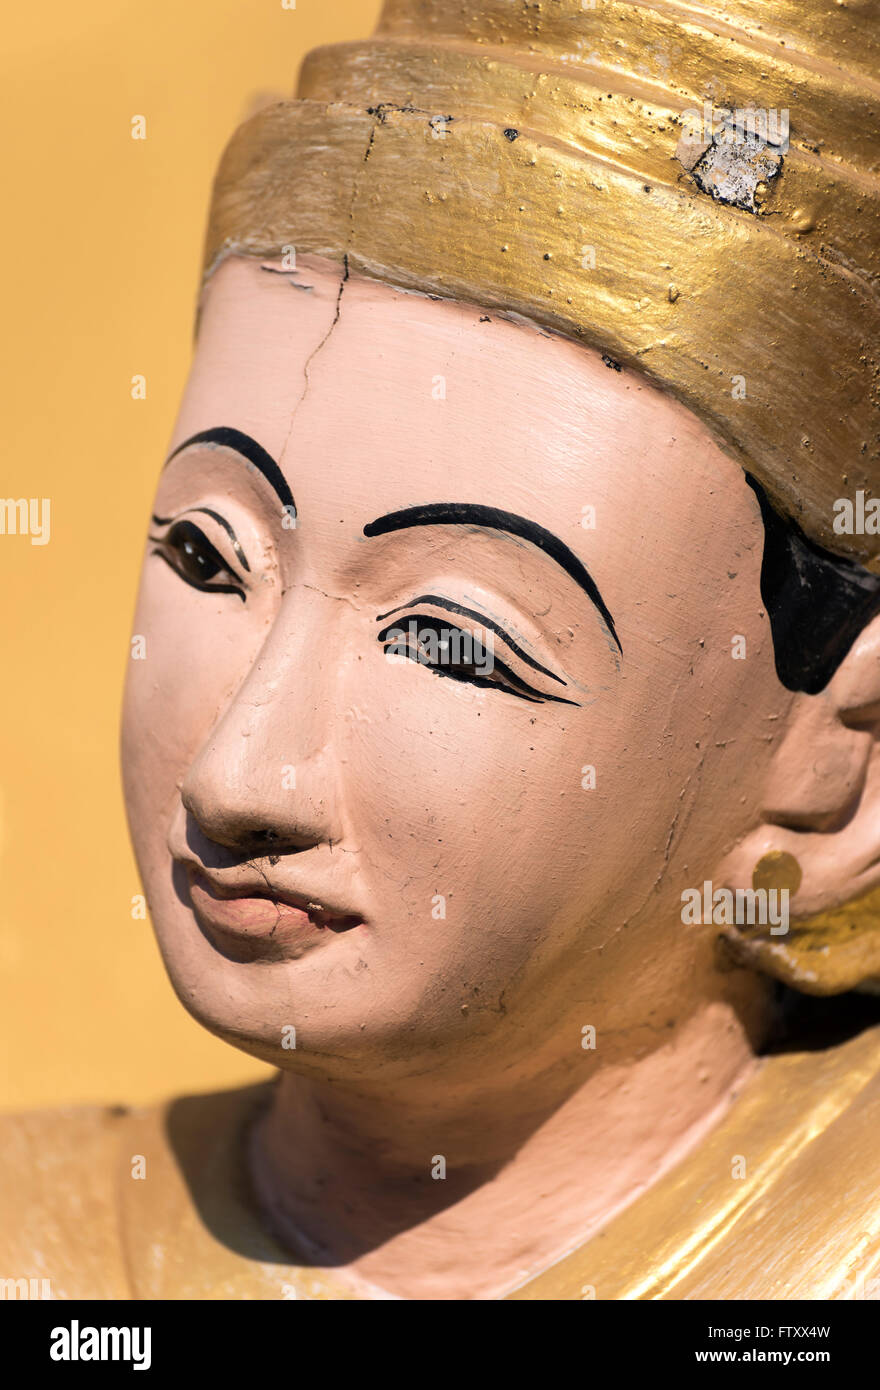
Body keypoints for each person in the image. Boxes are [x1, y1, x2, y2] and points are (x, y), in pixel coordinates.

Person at [3, 0, 880, 1300]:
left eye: (452, 645)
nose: (237, 776)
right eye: (207, 556)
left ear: (834, 767)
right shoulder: (45, 1249)